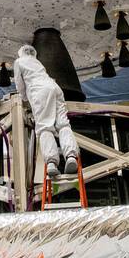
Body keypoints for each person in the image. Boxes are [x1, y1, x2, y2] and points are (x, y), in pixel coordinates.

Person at [13, 44, 78, 178]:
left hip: (39, 91)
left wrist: (25, 98)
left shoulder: (19, 62)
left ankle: (51, 163)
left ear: (21, 53)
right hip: (55, 87)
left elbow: (19, 84)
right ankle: (71, 156)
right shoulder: (38, 62)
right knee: (63, 124)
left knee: (44, 128)